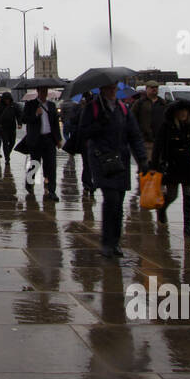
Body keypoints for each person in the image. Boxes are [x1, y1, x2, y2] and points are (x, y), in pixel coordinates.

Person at [74, 82, 148, 256]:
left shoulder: (123, 109)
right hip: (102, 158)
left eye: (114, 88)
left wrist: (142, 159)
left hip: (121, 159)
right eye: (109, 88)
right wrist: (99, 124)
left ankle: (115, 241)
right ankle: (107, 242)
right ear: (102, 89)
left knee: (119, 201)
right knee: (111, 198)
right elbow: (82, 133)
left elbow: (134, 134)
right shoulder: (92, 108)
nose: (113, 91)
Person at [151, 99, 190, 237]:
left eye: (185, 111)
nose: (183, 114)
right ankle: (162, 209)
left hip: (187, 163)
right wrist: (155, 165)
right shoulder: (167, 126)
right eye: (180, 111)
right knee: (172, 194)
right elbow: (158, 146)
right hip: (172, 163)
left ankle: (187, 226)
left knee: (189, 193)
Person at [20, 90, 63, 201]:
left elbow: (55, 124)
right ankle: (29, 182)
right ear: (38, 91)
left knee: (51, 165)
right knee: (35, 163)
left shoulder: (52, 105)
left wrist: (58, 139)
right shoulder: (30, 104)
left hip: (49, 139)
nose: (44, 93)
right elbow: (24, 119)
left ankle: (52, 190)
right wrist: (35, 114)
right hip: (36, 139)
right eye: (42, 91)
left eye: (46, 91)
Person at [0, 92, 17, 164]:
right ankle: (7, 158)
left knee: (12, 142)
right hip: (3, 128)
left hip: (12, 127)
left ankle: (7, 153)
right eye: (6, 99)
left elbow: (18, 114)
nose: (7, 101)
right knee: (5, 142)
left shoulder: (13, 106)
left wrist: (20, 123)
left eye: (8, 99)